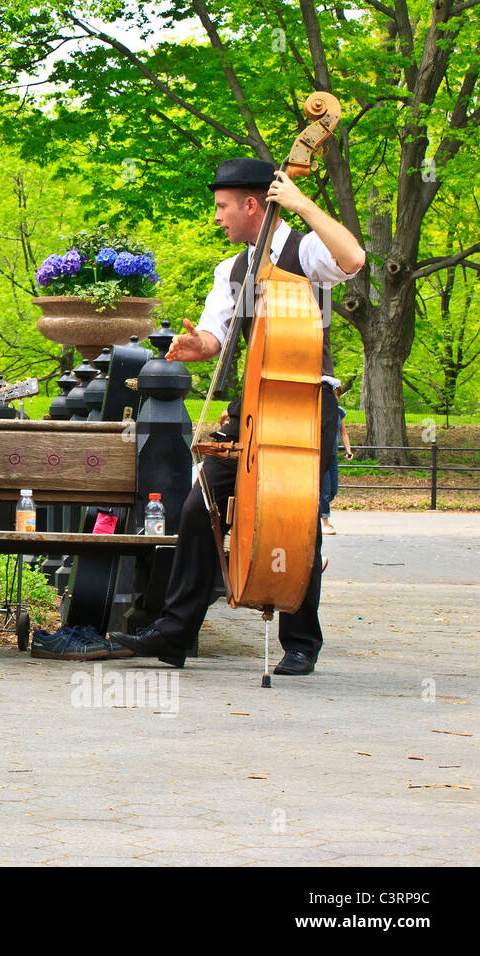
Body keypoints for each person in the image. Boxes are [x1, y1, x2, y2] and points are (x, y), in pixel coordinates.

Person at [111, 157, 365, 676]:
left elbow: (354, 257)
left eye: (224, 207)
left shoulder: (304, 250)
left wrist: (301, 203)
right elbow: (215, 337)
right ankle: (175, 632)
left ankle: (300, 640)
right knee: (197, 506)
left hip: (305, 402)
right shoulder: (230, 270)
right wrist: (192, 345)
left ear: (253, 205)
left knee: (295, 519)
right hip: (251, 407)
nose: (218, 217)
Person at [320, 394, 354, 534]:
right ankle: (325, 523)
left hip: (333, 453)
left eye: (337, 394)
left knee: (333, 490)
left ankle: (318, 511)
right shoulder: (320, 410)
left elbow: (343, 433)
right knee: (326, 489)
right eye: (333, 393)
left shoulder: (340, 411)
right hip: (322, 453)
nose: (335, 396)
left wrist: (348, 451)